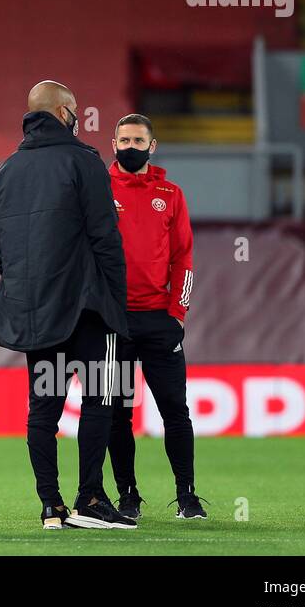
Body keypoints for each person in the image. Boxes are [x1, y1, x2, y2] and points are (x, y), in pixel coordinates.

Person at [0, 80, 132, 529]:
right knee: (102, 397)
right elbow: (106, 237)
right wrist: (117, 301)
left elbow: (0, 250)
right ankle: (90, 500)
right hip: (87, 309)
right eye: (76, 110)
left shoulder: (6, 171)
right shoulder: (84, 161)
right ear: (65, 112)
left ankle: (51, 505)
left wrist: (31, 287)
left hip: (37, 311)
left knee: (44, 406)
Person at [104, 114, 207, 520]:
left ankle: (187, 496)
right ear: (113, 145)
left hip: (159, 321)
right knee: (117, 412)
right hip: (113, 322)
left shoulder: (171, 193)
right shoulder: (99, 189)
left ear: (153, 146)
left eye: (138, 140)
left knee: (174, 411)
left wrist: (178, 313)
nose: (131, 147)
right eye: (124, 140)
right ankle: (128, 495)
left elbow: (184, 257)